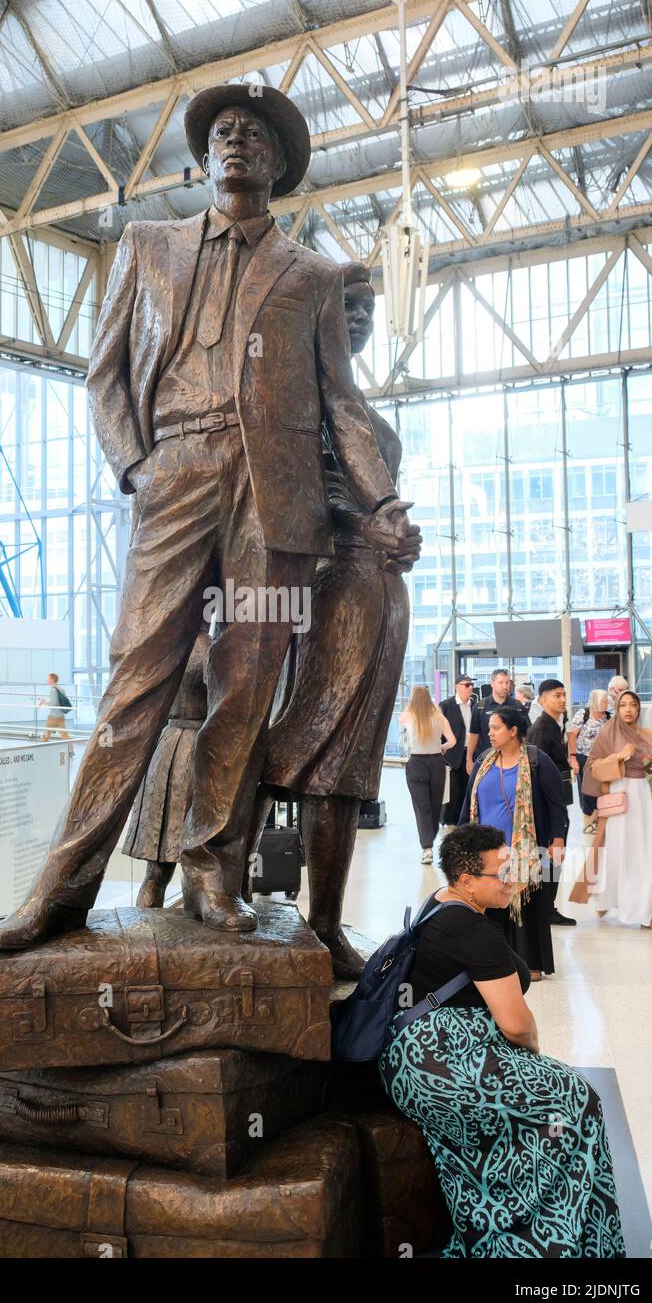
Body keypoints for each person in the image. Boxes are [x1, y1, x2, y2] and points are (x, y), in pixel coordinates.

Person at [0, 83, 416, 951]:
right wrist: (136, 466)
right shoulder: (146, 246)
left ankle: (215, 873)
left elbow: (345, 408)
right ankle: (61, 888)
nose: (236, 141)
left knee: (245, 689)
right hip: (174, 476)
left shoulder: (316, 277)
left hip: (274, 501)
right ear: (203, 156)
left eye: (254, 133)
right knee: (136, 678)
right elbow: (103, 376)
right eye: (223, 132)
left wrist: (384, 500)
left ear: (280, 163)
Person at [254, 261, 419, 977]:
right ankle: (218, 884)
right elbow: (288, 501)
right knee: (290, 740)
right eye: (345, 305)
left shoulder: (375, 428)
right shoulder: (289, 403)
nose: (357, 318)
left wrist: (395, 540)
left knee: (347, 769)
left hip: (376, 595)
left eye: (367, 312)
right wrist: (364, 525)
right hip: (315, 589)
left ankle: (324, 921)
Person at [379, 823, 625, 1259]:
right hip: (445, 1063)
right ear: (467, 880)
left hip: (413, 1060)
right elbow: (515, 1025)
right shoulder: (475, 932)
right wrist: (531, 1057)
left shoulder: (439, 904)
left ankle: (508, 1221)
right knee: (577, 1100)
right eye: (502, 872)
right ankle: (545, 1238)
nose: (514, 879)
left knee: (557, 1098)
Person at [459, 704, 566, 980]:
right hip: (487, 852)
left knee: (527, 909)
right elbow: (468, 803)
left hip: (526, 850)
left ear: (513, 730)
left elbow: (556, 805)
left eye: (495, 728)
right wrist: (460, 843)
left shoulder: (536, 761)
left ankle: (530, 963)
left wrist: (557, 839)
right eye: (489, 728)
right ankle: (495, 960)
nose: (490, 733)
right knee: (491, 908)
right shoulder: (484, 760)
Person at [571, 690, 652, 930]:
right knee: (618, 852)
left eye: (633, 705)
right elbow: (593, 766)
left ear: (639, 709)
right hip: (619, 799)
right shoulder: (608, 732)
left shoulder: (650, 736)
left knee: (646, 854)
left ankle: (646, 912)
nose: (628, 709)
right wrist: (619, 756)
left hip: (646, 802)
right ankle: (608, 897)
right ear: (616, 709)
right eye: (623, 705)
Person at [122, 629, 211, 907]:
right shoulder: (209, 649)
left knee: (155, 875)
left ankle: (144, 943)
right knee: (200, 871)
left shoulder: (164, 645)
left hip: (164, 749)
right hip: (199, 751)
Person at [526, 678, 575, 927]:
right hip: (546, 809)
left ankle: (548, 906)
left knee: (553, 859)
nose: (563, 699)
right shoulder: (541, 730)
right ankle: (544, 908)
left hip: (556, 805)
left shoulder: (555, 725)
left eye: (564, 695)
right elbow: (535, 773)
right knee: (550, 856)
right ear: (542, 699)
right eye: (557, 695)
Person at [400, 686, 456, 864]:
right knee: (434, 806)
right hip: (436, 763)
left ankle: (427, 848)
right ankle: (429, 843)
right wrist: (442, 748)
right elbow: (452, 741)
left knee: (421, 807)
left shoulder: (406, 717)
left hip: (416, 763)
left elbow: (404, 744)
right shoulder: (439, 717)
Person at [466, 668, 527, 773]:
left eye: (507, 682)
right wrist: (469, 759)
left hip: (513, 762)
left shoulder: (517, 707)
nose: (505, 686)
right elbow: (473, 734)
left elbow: (525, 734)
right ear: (492, 684)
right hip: (486, 760)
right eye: (501, 682)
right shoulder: (480, 707)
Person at [568, 689, 610, 832]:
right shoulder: (583, 714)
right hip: (584, 758)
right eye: (604, 700)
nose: (607, 702)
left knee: (602, 791)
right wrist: (572, 757)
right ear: (595, 701)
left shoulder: (609, 717)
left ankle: (600, 822)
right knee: (587, 792)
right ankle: (589, 822)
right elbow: (572, 736)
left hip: (603, 760)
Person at [439, 675, 475, 830]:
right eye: (466, 685)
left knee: (469, 788)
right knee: (453, 790)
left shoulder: (475, 706)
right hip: (453, 754)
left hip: (472, 753)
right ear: (457, 687)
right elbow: (440, 731)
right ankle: (450, 821)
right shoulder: (447, 705)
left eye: (471, 684)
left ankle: (466, 820)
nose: (470, 687)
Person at [40, 673, 71, 742]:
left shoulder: (53, 690)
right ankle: (70, 748)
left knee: (46, 734)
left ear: (52, 680)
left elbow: (54, 703)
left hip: (53, 716)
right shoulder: (61, 689)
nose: (47, 680)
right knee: (64, 734)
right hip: (61, 715)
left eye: (48, 679)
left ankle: (41, 747)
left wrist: (44, 702)